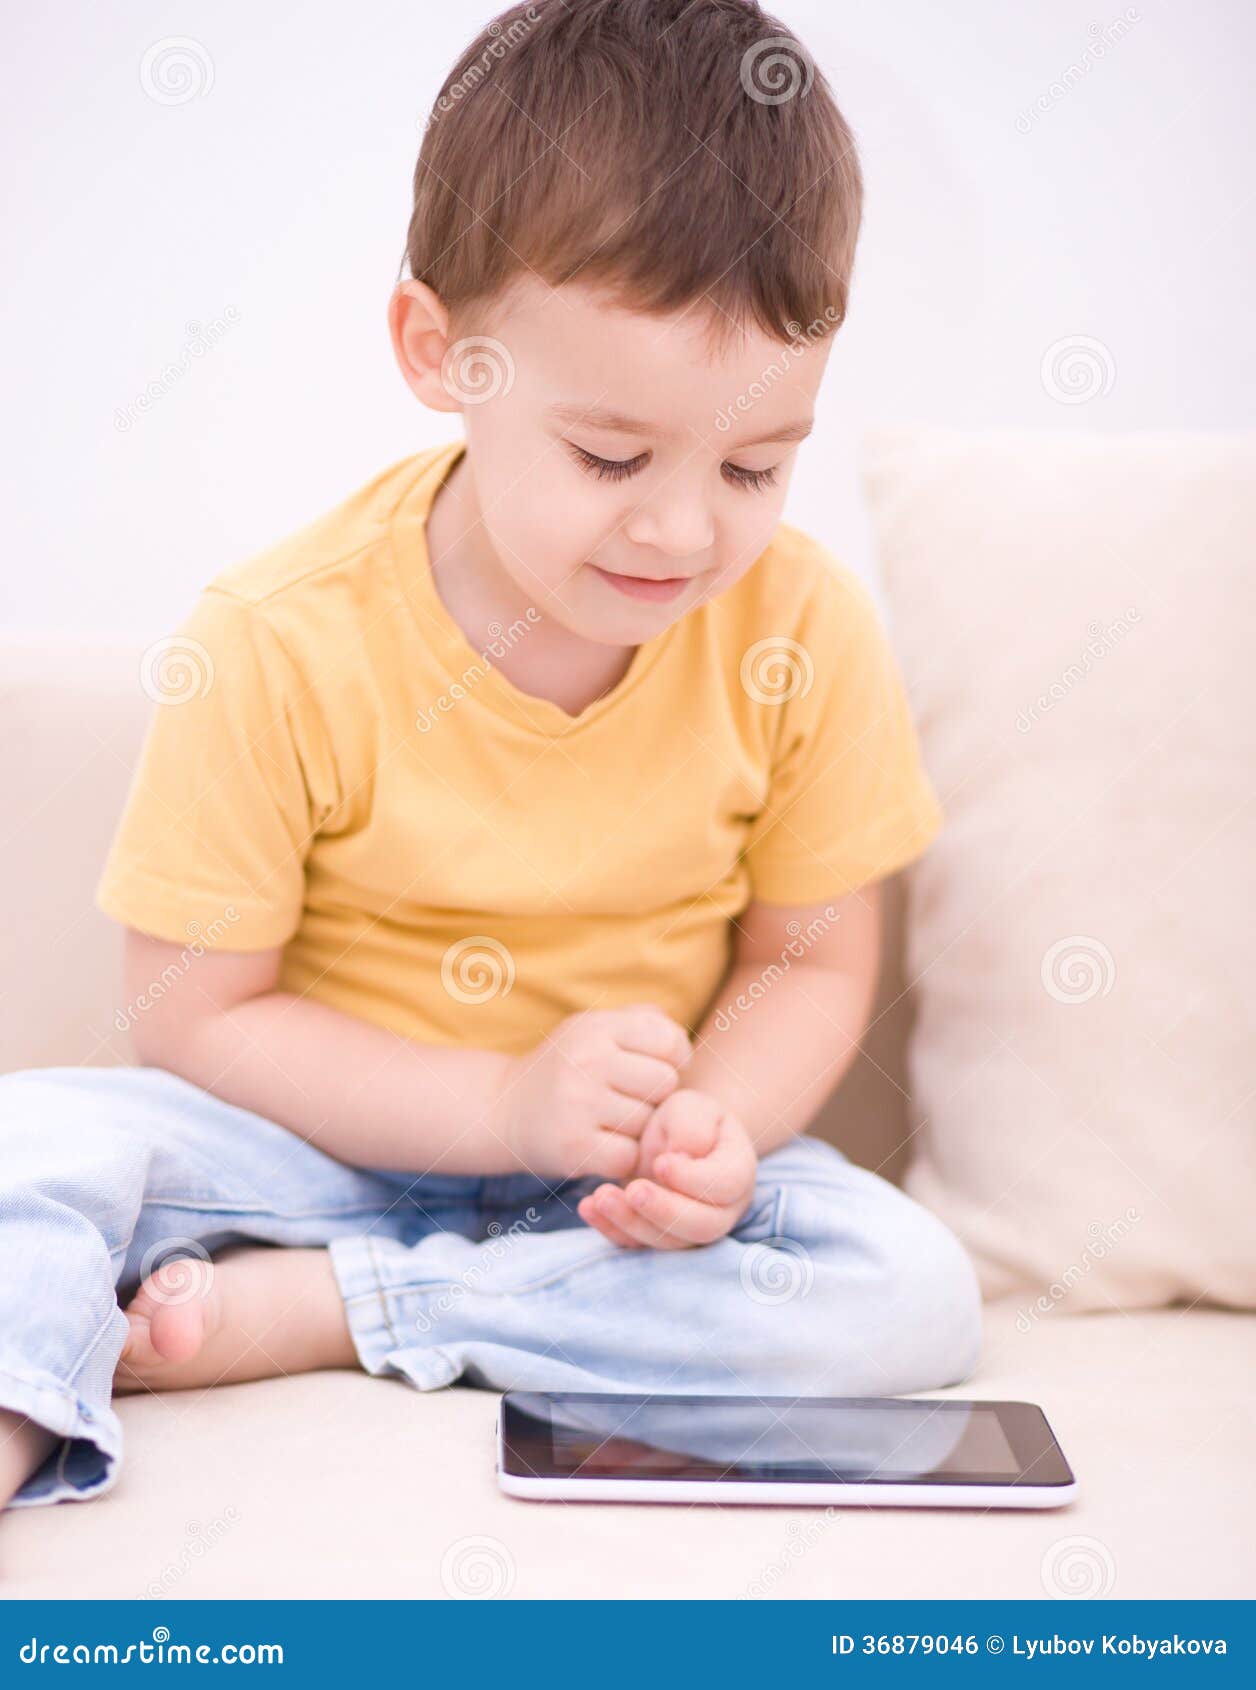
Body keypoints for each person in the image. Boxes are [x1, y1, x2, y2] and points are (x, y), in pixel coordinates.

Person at [0, 0, 980, 1513]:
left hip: (612, 1202)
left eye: (754, 467)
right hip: (311, 1150)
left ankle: (359, 1306)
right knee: (26, 1146)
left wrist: (714, 1124)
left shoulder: (804, 633)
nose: (681, 529)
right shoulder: (276, 636)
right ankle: (29, 1396)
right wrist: (502, 1106)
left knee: (904, 1290)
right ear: (438, 352)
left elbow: (815, 957)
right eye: (610, 457)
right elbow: (187, 1010)